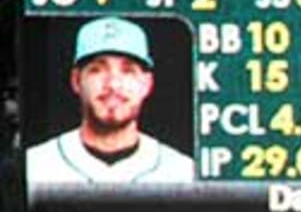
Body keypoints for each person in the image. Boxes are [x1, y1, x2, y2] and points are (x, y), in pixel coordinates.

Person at [27, 15, 194, 184]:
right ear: (76, 80)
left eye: (128, 71)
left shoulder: (183, 173)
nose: (113, 84)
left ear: (147, 84)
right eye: (97, 70)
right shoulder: (34, 167)